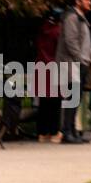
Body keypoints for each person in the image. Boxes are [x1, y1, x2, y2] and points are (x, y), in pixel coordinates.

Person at [55, 0, 91, 144]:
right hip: (71, 63)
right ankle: (67, 132)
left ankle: (72, 131)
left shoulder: (80, 18)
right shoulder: (72, 17)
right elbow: (71, 41)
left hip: (79, 62)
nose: (89, 3)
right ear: (77, 1)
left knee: (75, 99)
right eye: (86, 0)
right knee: (72, 98)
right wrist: (80, 59)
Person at [34, 9, 64, 143]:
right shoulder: (58, 32)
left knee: (43, 103)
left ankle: (42, 132)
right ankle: (54, 132)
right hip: (54, 68)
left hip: (41, 66)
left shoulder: (42, 29)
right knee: (55, 103)